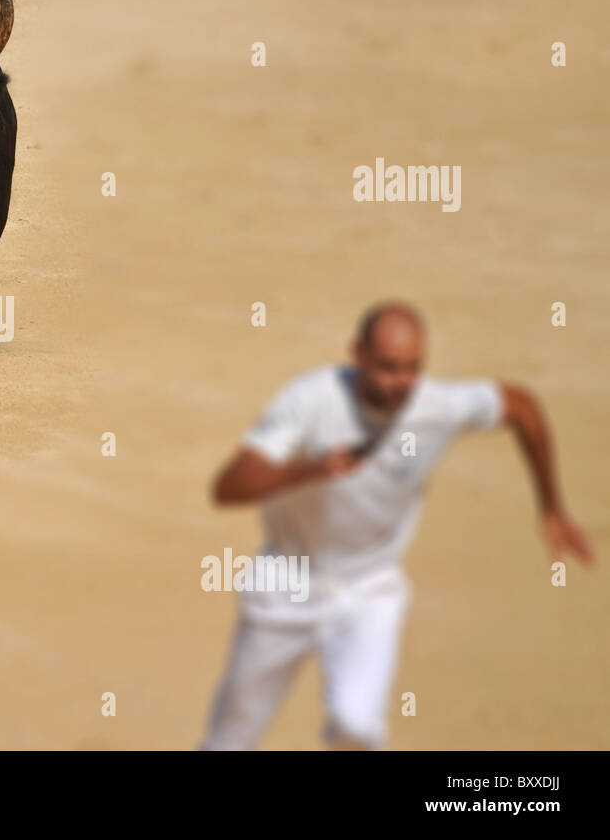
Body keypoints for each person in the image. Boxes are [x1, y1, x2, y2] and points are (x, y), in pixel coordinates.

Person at [201, 301, 595, 750]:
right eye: (388, 368)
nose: (402, 384)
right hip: (285, 582)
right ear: (357, 355)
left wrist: (551, 505)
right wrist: (309, 471)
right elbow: (227, 488)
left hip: (370, 588)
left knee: (358, 728)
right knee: (229, 741)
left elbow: (522, 407)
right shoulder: (310, 398)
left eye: (413, 368)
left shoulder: (438, 406)